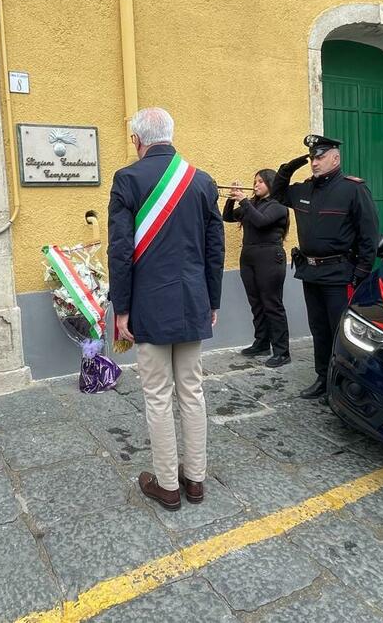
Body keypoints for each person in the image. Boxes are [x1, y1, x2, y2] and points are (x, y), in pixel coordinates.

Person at [108, 106, 224, 511]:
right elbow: (215, 249)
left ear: (137, 141)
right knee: (192, 392)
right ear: (170, 135)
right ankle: (196, 481)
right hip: (193, 301)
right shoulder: (202, 181)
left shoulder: (127, 179)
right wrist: (213, 300)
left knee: (158, 395)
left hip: (149, 305)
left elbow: (121, 251)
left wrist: (121, 309)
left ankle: (168, 486)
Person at [270, 135, 379, 401]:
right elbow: (278, 192)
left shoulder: (353, 189)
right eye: (311, 158)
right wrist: (290, 166)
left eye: (319, 157)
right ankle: (323, 377)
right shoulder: (305, 189)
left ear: (335, 158)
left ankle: (345, 381)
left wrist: (362, 272)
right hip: (311, 272)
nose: (315, 163)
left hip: (340, 273)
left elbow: (369, 234)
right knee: (318, 328)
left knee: (340, 331)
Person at [223, 169, 290, 367]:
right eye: (255, 181)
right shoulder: (253, 204)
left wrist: (244, 201)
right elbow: (227, 217)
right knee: (256, 303)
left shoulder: (277, 205)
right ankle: (261, 343)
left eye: (260, 181)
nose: (256, 185)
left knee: (272, 304)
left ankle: (282, 351)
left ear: (270, 183)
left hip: (269, 257)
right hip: (250, 256)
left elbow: (261, 222)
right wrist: (232, 197)